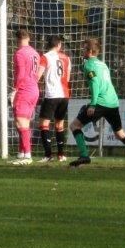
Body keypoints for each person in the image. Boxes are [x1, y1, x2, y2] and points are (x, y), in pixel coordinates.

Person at [68, 38, 125, 169]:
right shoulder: (102, 64)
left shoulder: (89, 65)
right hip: (113, 102)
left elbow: (95, 84)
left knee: (74, 126)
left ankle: (84, 156)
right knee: (120, 133)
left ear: (90, 51)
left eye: (84, 48)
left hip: (100, 103)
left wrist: (92, 104)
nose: (82, 50)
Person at [10, 27, 43, 165]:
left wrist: (15, 90)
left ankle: (28, 156)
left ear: (17, 40)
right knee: (24, 122)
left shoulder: (19, 53)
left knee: (20, 121)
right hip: (34, 89)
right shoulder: (35, 53)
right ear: (28, 38)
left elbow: (21, 74)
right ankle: (22, 152)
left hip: (24, 89)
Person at [37, 35, 71, 163]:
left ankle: (48, 155)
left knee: (44, 124)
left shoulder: (45, 57)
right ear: (59, 45)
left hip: (52, 95)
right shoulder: (67, 58)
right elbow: (67, 78)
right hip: (65, 95)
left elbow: (38, 76)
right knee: (59, 124)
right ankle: (61, 155)